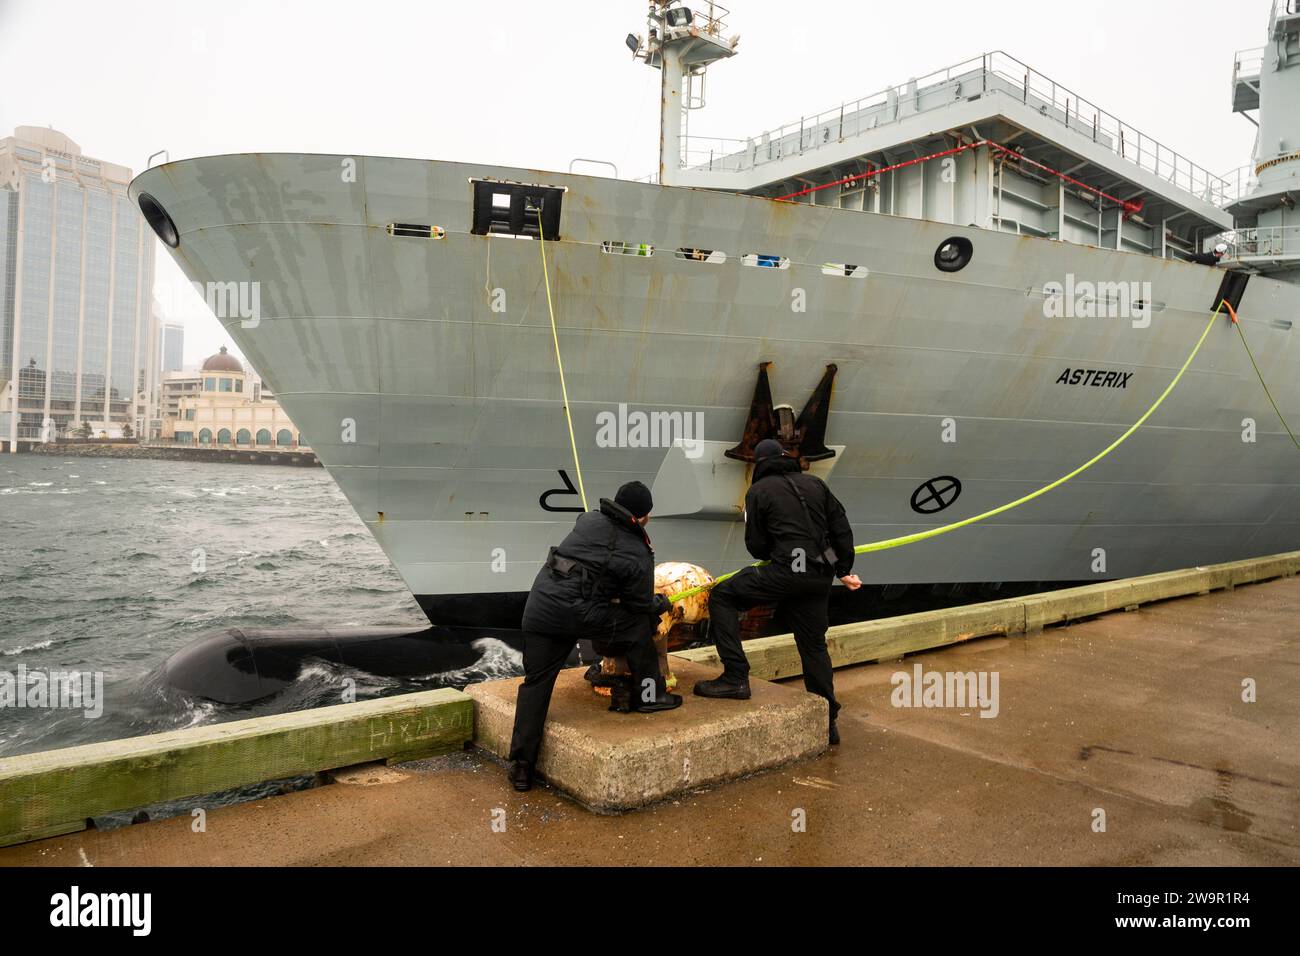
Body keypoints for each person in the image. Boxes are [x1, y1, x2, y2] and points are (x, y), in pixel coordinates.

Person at [507, 481, 682, 792]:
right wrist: (660, 603)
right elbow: (639, 605)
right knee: (639, 625)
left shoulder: (586, 520)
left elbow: (596, 563)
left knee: (536, 684)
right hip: (579, 613)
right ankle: (650, 695)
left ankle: (521, 768)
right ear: (643, 517)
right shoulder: (639, 552)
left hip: (539, 609)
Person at [695, 439, 861, 745]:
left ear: (759, 464)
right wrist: (843, 570)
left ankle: (735, 678)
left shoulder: (758, 491)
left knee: (723, 596)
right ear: (785, 458)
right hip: (819, 576)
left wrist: (779, 553)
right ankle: (827, 720)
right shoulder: (815, 484)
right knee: (813, 645)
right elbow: (841, 527)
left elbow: (755, 545)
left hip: (787, 571)